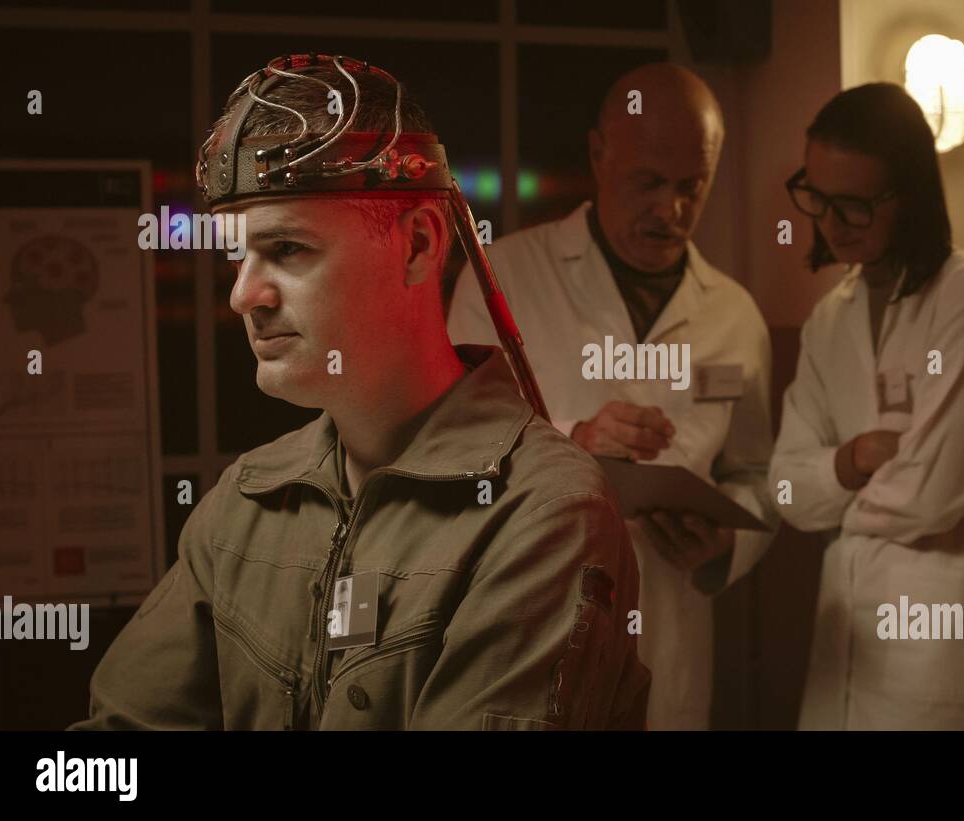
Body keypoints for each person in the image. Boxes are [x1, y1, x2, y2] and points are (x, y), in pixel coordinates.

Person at [70, 55, 649, 730]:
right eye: (238, 255)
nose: (242, 295)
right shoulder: (246, 503)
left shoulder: (541, 514)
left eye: (287, 249)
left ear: (418, 246)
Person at [447, 63, 776, 730]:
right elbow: (447, 456)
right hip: (533, 645)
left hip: (676, 646)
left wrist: (725, 544)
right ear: (599, 154)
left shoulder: (736, 316)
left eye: (692, 187)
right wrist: (572, 443)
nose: (670, 209)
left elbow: (757, 473)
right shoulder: (502, 279)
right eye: (649, 182)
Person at [769, 83, 964, 729]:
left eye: (855, 205)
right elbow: (785, 488)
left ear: (908, 195)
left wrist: (835, 488)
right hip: (844, 641)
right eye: (817, 197)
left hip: (940, 643)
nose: (832, 222)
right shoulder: (828, 319)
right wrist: (860, 455)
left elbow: (934, 495)